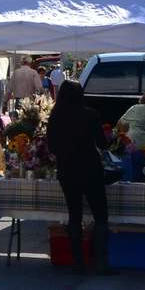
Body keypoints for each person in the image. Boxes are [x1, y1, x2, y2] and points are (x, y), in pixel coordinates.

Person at [46, 80, 114, 274]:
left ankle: (77, 262)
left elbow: (52, 146)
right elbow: (102, 144)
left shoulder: (55, 116)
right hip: (90, 168)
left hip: (66, 169)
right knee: (100, 215)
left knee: (74, 215)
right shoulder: (90, 114)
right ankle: (101, 262)